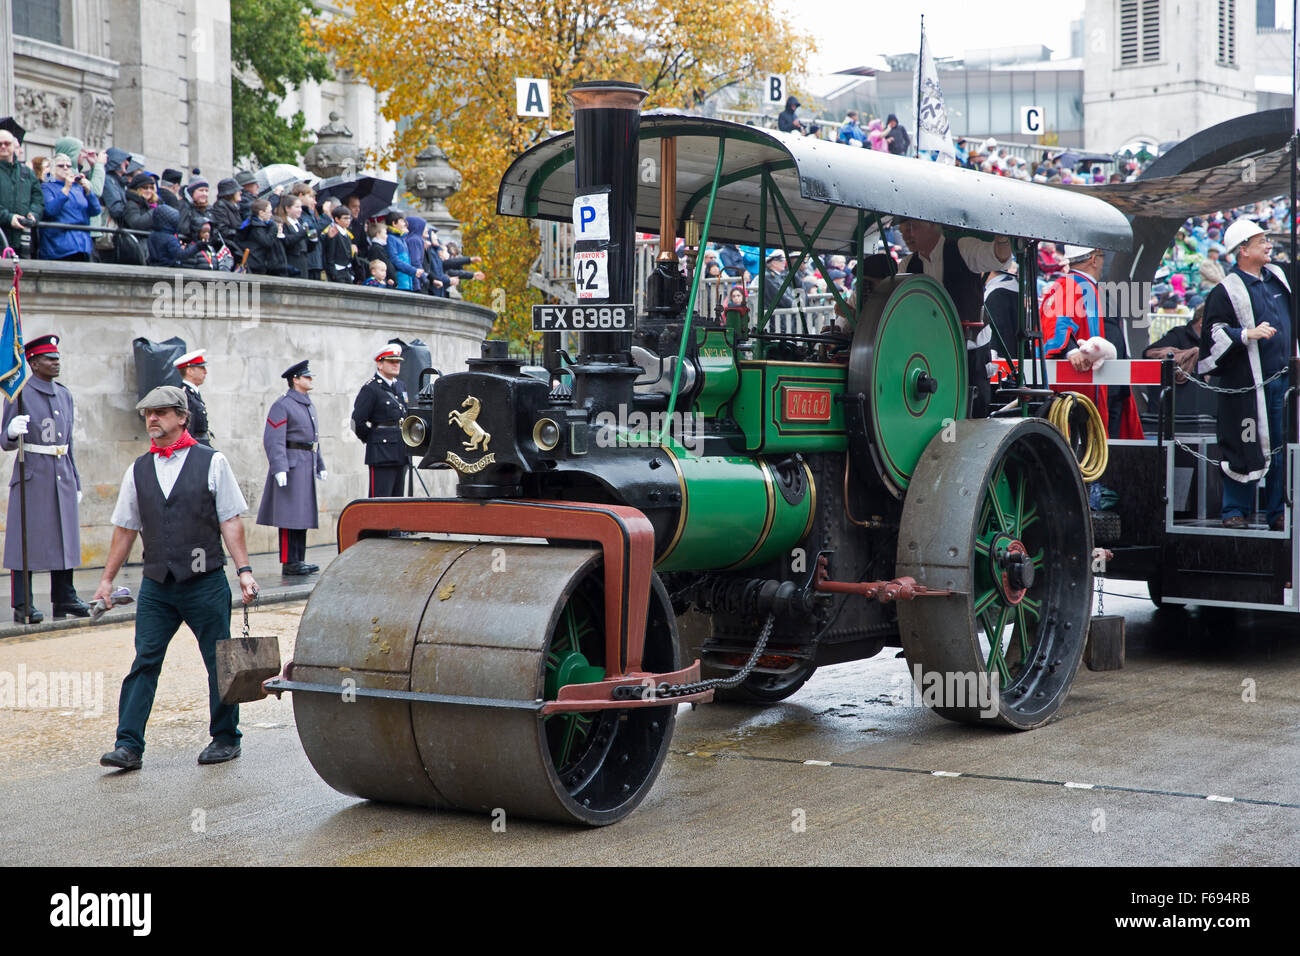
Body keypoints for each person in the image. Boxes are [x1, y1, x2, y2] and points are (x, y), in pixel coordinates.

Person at [95, 386, 259, 772]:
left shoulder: (212, 462)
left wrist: (245, 572)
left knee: (218, 661)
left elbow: (230, 520)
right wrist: (106, 582)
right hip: (157, 584)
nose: (152, 419)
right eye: (148, 413)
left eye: (161, 412)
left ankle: (225, 737)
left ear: (182, 417)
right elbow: (125, 529)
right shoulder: (137, 469)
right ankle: (128, 745)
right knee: (144, 661)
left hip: (204, 580)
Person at [1197, 218, 1294, 530]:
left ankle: (1277, 512)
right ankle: (1234, 510)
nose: (1269, 245)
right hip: (1248, 388)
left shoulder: (1277, 279)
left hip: (1283, 383)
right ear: (1242, 250)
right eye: (1261, 241)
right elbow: (1212, 334)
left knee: (1281, 447)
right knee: (1244, 445)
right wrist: (1245, 334)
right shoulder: (1226, 291)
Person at [0, 333, 89, 623]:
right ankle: (23, 603)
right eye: (49, 359)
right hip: (32, 472)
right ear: (34, 362)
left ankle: (64, 596)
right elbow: (5, 440)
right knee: (24, 539)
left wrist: (75, 477)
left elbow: (70, 441)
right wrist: (13, 431)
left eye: (57, 358)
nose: (56, 363)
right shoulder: (21, 392)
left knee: (65, 536)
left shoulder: (64, 393)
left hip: (61, 472)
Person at [898, 218, 1013, 417]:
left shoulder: (962, 248)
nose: (907, 235)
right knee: (936, 415)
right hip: (929, 354)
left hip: (970, 353)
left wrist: (1002, 237)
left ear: (934, 225)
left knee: (973, 416)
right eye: (902, 231)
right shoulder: (907, 264)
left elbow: (999, 258)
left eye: (912, 227)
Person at [1039, 243, 1143, 437]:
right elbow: (1055, 321)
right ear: (1094, 259)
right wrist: (1071, 351)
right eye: (1102, 257)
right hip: (1090, 385)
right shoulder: (1069, 284)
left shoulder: (1094, 289)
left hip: (1111, 383)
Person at [257, 360, 325, 576]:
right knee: (288, 515)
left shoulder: (307, 403)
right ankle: (289, 561)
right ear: (295, 380)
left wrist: (320, 464)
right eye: (306, 376)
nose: (310, 379)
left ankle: (299, 559)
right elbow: (273, 439)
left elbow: (313, 439)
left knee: (302, 514)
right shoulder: (283, 404)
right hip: (291, 465)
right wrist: (279, 467)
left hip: (305, 462)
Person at [351, 343, 409, 497]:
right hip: (382, 453)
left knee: (398, 501)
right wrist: (373, 439)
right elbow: (357, 422)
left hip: (401, 451)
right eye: (391, 361)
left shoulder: (401, 386)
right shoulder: (371, 389)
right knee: (380, 501)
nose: (396, 365)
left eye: (398, 362)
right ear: (380, 364)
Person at [38, 152, 101, 261]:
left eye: (68, 166)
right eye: (61, 166)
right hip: (59, 245)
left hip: (82, 244)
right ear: (53, 169)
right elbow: (50, 211)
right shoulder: (46, 187)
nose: (65, 168)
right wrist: (66, 189)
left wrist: (89, 192)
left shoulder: (78, 188)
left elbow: (95, 211)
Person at [0, 127, 43, 253]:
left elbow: (38, 199)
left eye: (7, 143)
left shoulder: (27, 172)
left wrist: (33, 214)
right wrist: (8, 218)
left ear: (14, 146)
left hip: (23, 239)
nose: (3, 147)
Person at [1144, 304, 1203, 384]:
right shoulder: (1178, 334)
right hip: (1178, 392)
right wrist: (1186, 355)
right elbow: (1149, 353)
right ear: (1202, 321)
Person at [174, 350, 213, 446]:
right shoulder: (184, 395)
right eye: (201, 368)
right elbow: (187, 430)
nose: (206, 372)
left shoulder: (193, 393)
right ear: (190, 371)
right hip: (195, 447)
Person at [146, 203, 200, 267]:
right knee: (179, 277)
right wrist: (197, 247)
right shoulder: (170, 239)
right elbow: (180, 255)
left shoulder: (152, 235)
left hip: (154, 267)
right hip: (170, 270)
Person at [241, 198, 286, 275]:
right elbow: (267, 242)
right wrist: (274, 227)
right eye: (269, 212)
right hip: (254, 264)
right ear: (261, 213)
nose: (271, 214)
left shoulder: (260, 225)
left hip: (259, 263)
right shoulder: (256, 227)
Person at [323, 205, 357, 282]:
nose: (348, 221)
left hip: (347, 270)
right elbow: (330, 254)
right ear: (337, 219)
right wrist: (334, 273)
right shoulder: (334, 233)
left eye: (349, 218)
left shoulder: (347, 234)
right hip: (338, 270)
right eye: (345, 218)